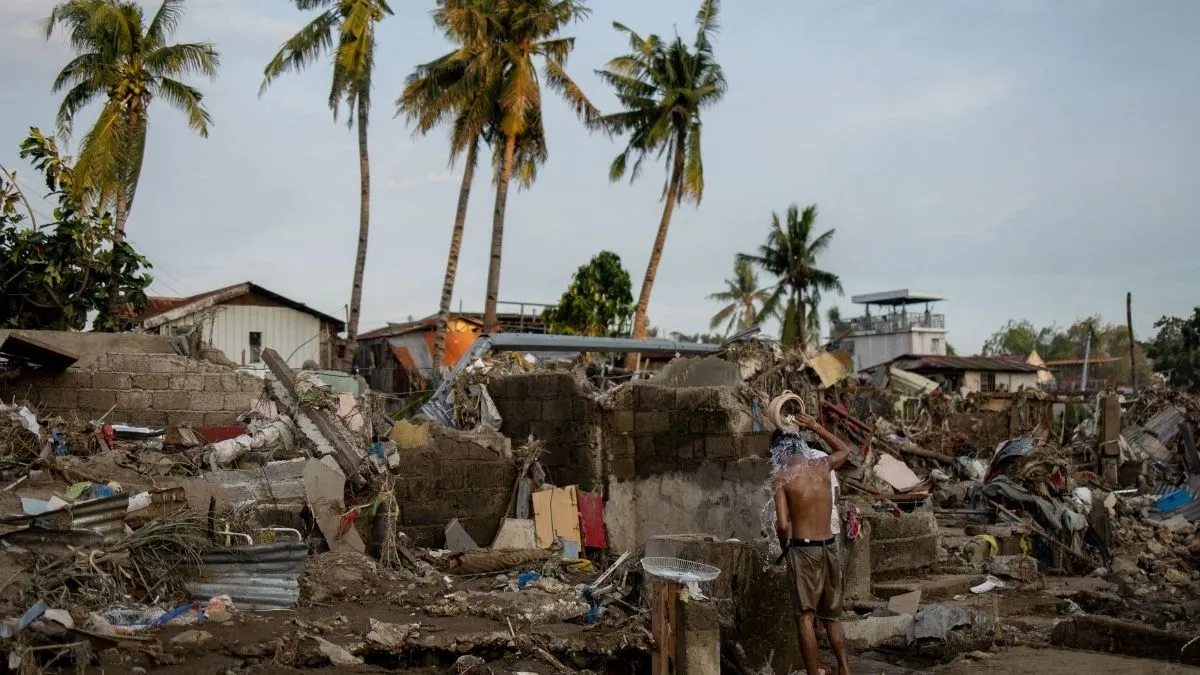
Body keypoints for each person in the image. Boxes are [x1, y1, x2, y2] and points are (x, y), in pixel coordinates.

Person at [773, 412, 853, 675]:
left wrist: (785, 547)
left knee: (806, 618)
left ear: (779, 452)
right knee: (832, 618)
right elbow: (845, 449)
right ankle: (844, 669)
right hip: (829, 546)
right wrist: (816, 426)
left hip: (803, 550)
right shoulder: (822, 465)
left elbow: (783, 525)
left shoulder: (782, 478)